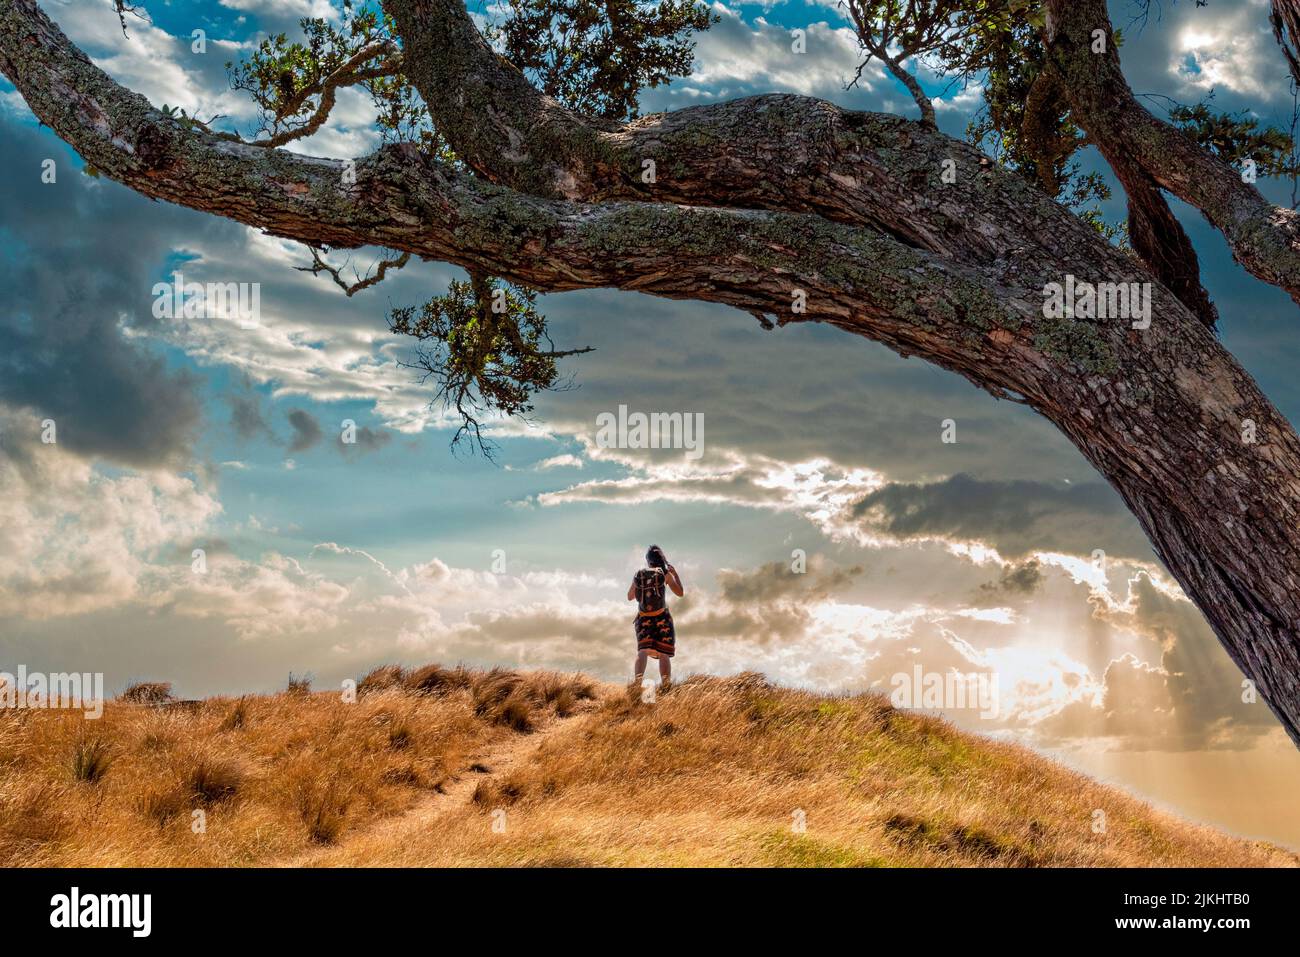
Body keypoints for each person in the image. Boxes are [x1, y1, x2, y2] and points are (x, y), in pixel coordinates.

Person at [628, 545, 684, 687]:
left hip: (643, 618)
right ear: (661, 559)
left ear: (648, 560)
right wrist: (675, 574)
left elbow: (630, 596)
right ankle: (666, 685)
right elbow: (680, 593)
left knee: (642, 651)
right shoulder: (665, 574)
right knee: (664, 653)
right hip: (662, 618)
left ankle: (637, 684)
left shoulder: (640, 574)